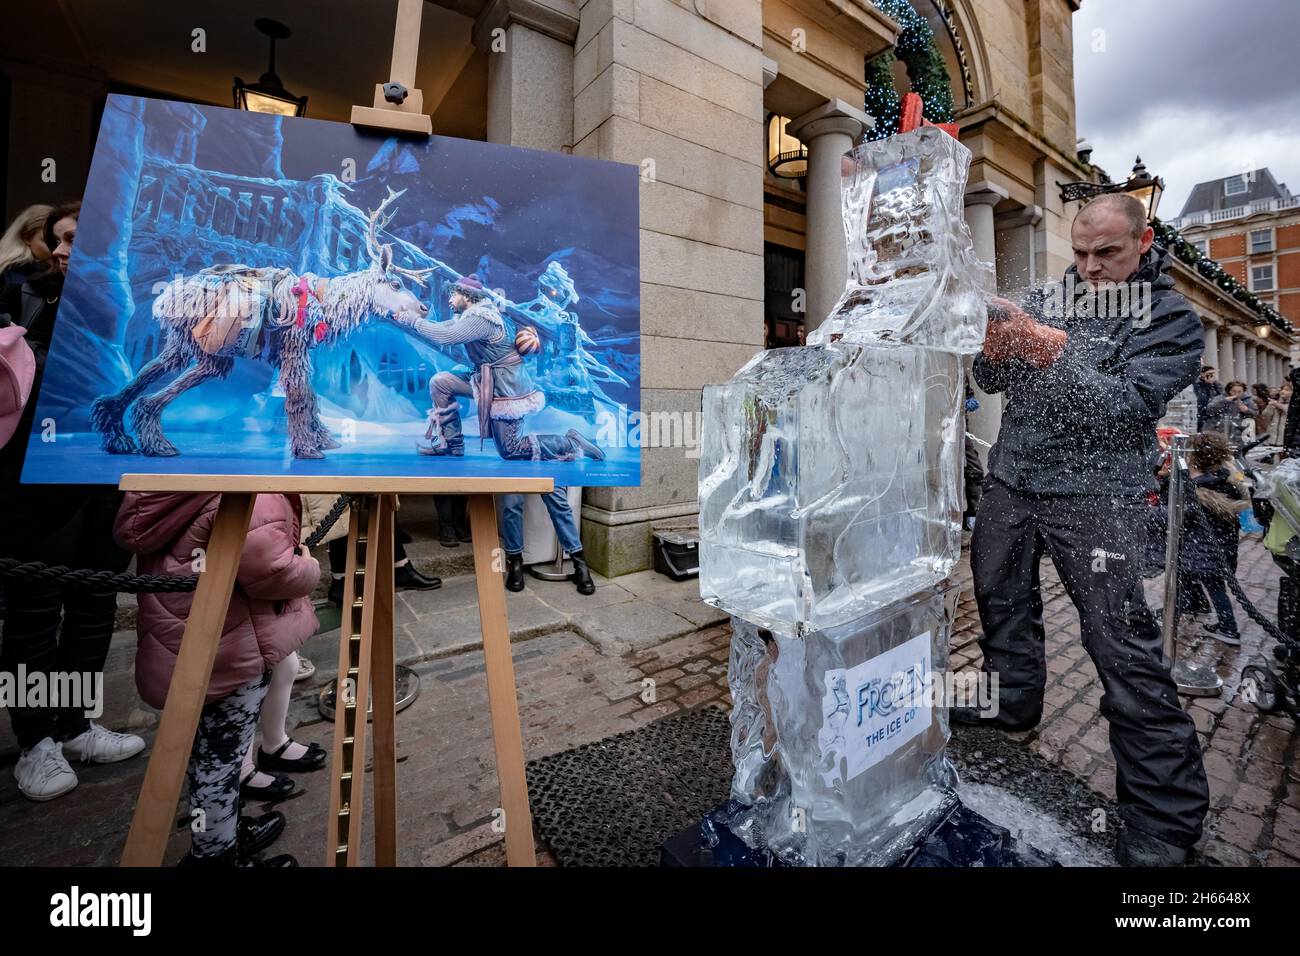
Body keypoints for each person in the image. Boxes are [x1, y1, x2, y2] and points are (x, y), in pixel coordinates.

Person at [957, 192, 1209, 866]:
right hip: (1013, 480)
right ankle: (1011, 700)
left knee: (1119, 644)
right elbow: (991, 376)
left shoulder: (1171, 319)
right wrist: (998, 339)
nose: (1091, 268)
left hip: (1098, 496)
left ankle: (1164, 821)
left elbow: (1126, 409)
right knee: (999, 601)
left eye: (1109, 255)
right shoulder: (1048, 296)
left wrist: (1049, 351)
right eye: (1082, 253)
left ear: (1144, 240)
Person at [0, 200, 146, 802]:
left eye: (74, 240)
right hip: (33, 480)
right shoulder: (22, 295)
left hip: (101, 475)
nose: (60, 250)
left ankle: (75, 725)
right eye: (58, 239)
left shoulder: (122, 301)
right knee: (35, 613)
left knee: (94, 604)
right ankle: (35, 744)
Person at [114, 490, 320, 866]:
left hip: (193, 643)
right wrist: (308, 566)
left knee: (207, 754)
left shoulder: (176, 483)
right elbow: (273, 570)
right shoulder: (247, 488)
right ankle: (215, 855)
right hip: (229, 647)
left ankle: (218, 831)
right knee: (219, 760)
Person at [398, 274, 605, 464]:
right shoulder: (474, 316)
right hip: (486, 380)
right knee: (441, 382)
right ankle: (452, 445)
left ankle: (572, 442)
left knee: (510, 449)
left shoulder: (482, 318)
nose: (450, 300)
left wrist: (414, 321)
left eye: (453, 294)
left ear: (467, 296)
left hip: (506, 387)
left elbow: (447, 337)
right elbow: (446, 328)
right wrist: (411, 320)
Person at [1178, 432, 1247, 645]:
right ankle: (1190, 603)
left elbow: (1185, 514)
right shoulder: (1226, 479)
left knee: (1216, 589)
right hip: (1220, 549)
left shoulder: (1201, 487)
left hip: (1205, 551)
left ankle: (1229, 628)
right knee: (1190, 577)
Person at [499, 488, 595, 595]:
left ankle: (579, 563)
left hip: (547, 470)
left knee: (558, 502)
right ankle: (515, 561)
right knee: (511, 505)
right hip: (515, 471)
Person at [0, 204, 53, 289]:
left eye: (58, 241)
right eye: (48, 241)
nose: (57, 248)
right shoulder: (17, 273)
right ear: (27, 238)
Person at [1201, 380, 1254, 446]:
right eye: (1234, 391)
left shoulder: (1247, 401)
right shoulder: (1219, 398)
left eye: (1239, 392)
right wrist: (1224, 401)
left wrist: (1246, 410)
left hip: (1238, 434)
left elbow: (1255, 415)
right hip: (1218, 431)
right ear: (1229, 391)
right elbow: (1209, 410)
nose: (1236, 394)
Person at [1192, 365, 1222, 431]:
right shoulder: (1197, 384)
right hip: (1201, 416)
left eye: (1213, 374)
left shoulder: (1216, 385)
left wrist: (1214, 384)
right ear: (1202, 374)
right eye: (1209, 374)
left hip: (1214, 417)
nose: (1211, 376)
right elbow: (1201, 399)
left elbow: (1221, 397)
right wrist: (1207, 384)